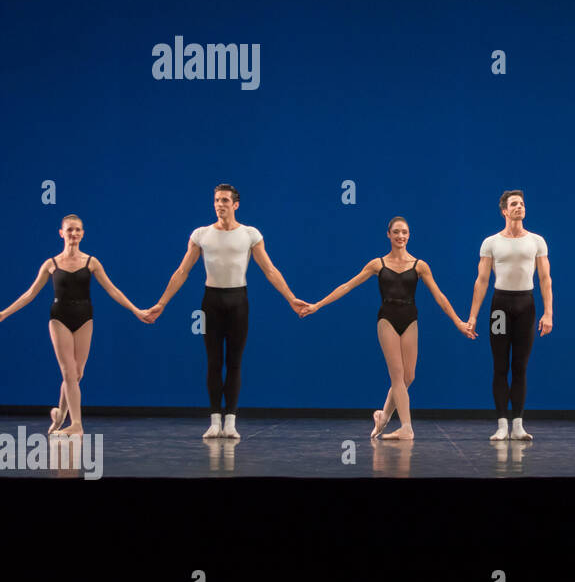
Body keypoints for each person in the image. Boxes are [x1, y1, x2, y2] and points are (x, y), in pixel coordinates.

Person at [146, 184, 307, 439]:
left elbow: (270, 270)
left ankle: (230, 422)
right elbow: (182, 272)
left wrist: (290, 298)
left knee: (234, 362)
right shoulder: (201, 234)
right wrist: (162, 303)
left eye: (224, 200)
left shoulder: (250, 234)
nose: (219, 204)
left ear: (235, 204)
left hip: (238, 301)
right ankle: (214, 421)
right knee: (213, 361)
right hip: (211, 301)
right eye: (216, 200)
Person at [298, 216, 475, 439]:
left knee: (409, 376)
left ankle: (383, 416)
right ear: (388, 235)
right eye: (396, 232)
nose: (401, 236)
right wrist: (317, 305)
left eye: (405, 232)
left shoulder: (419, 265)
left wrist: (458, 321)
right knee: (397, 375)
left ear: (409, 235)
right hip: (387, 319)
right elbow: (347, 285)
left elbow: (439, 296)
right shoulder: (377, 264)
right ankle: (407, 428)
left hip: (410, 318)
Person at [0, 214, 152, 435]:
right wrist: (4, 313)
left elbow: (113, 290)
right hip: (59, 317)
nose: (74, 234)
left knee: (77, 373)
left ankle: (60, 414)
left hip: (84, 317)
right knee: (68, 372)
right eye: (69, 230)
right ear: (61, 233)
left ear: (83, 233)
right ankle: (77, 425)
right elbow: (30, 294)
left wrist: (136, 310)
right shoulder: (51, 264)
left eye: (78, 230)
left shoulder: (91, 262)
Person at [467, 190, 552, 441]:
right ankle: (502, 424)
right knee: (500, 365)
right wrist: (472, 317)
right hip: (500, 306)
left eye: (522, 204)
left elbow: (545, 279)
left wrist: (548, 312)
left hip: (526, 305)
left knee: (520, 367)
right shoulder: (491, 242)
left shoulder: (537, 241)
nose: (519, 207)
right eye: (514, 204)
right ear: (504, 210)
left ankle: (518, 425)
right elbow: (481, 281)